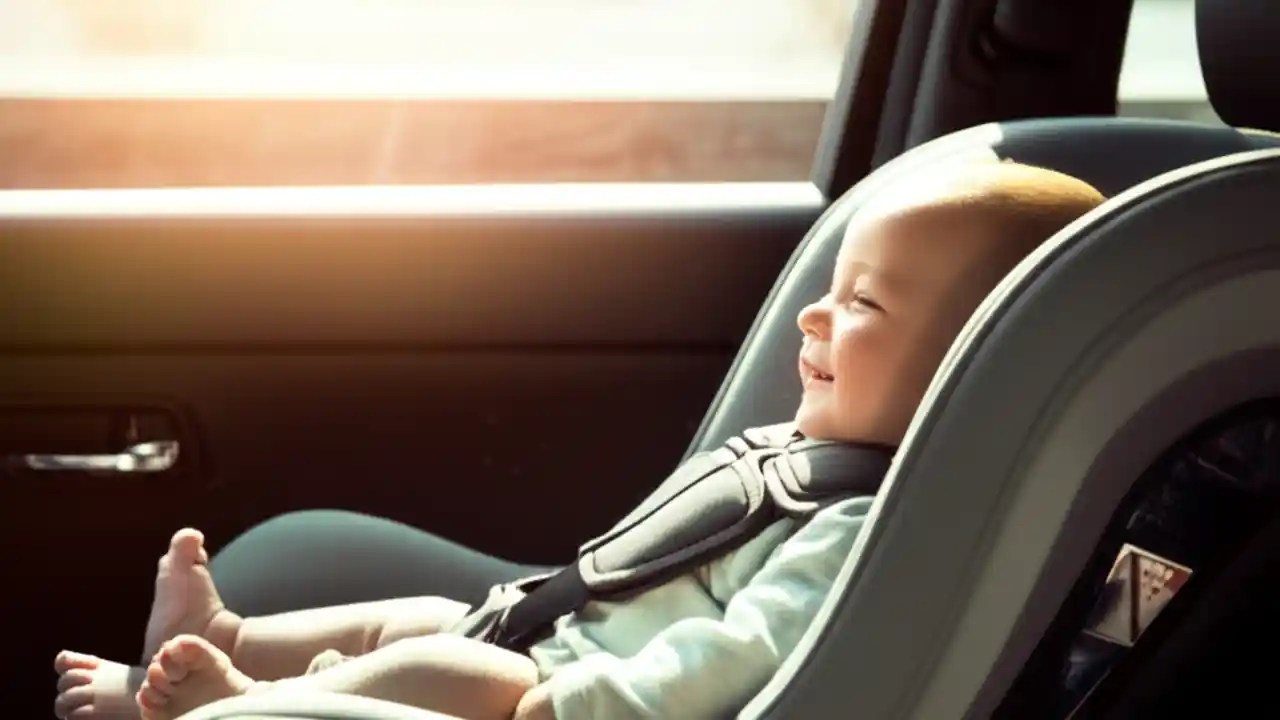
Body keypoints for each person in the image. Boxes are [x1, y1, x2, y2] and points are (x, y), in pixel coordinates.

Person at [52, 160, 1105, 720]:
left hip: (586, 696)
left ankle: (239, 708)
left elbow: (747, 657)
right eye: (825, 297)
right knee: (425, 622)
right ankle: (230, 642)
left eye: (862, 309)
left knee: (445, 668)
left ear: (979, 367)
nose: (810, 322)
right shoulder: (832, 462)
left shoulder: (873, 532)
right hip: (575, 629)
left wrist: (579, 704)